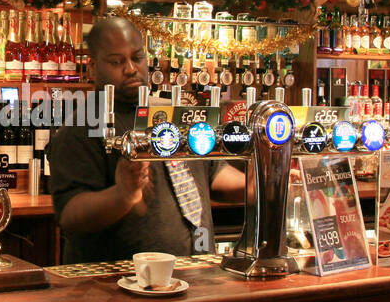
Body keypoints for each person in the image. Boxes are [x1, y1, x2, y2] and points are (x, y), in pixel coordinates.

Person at [49, 17, 245, 263]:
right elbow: (70, 214)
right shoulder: (81, 127)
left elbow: (213, 175)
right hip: (120, 285)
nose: (130, 68)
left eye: (137, 57)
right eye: (116, 61)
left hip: (195, 275)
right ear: (92, 67)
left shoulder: (171, 112)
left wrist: (269, 182)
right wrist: (123, 195)